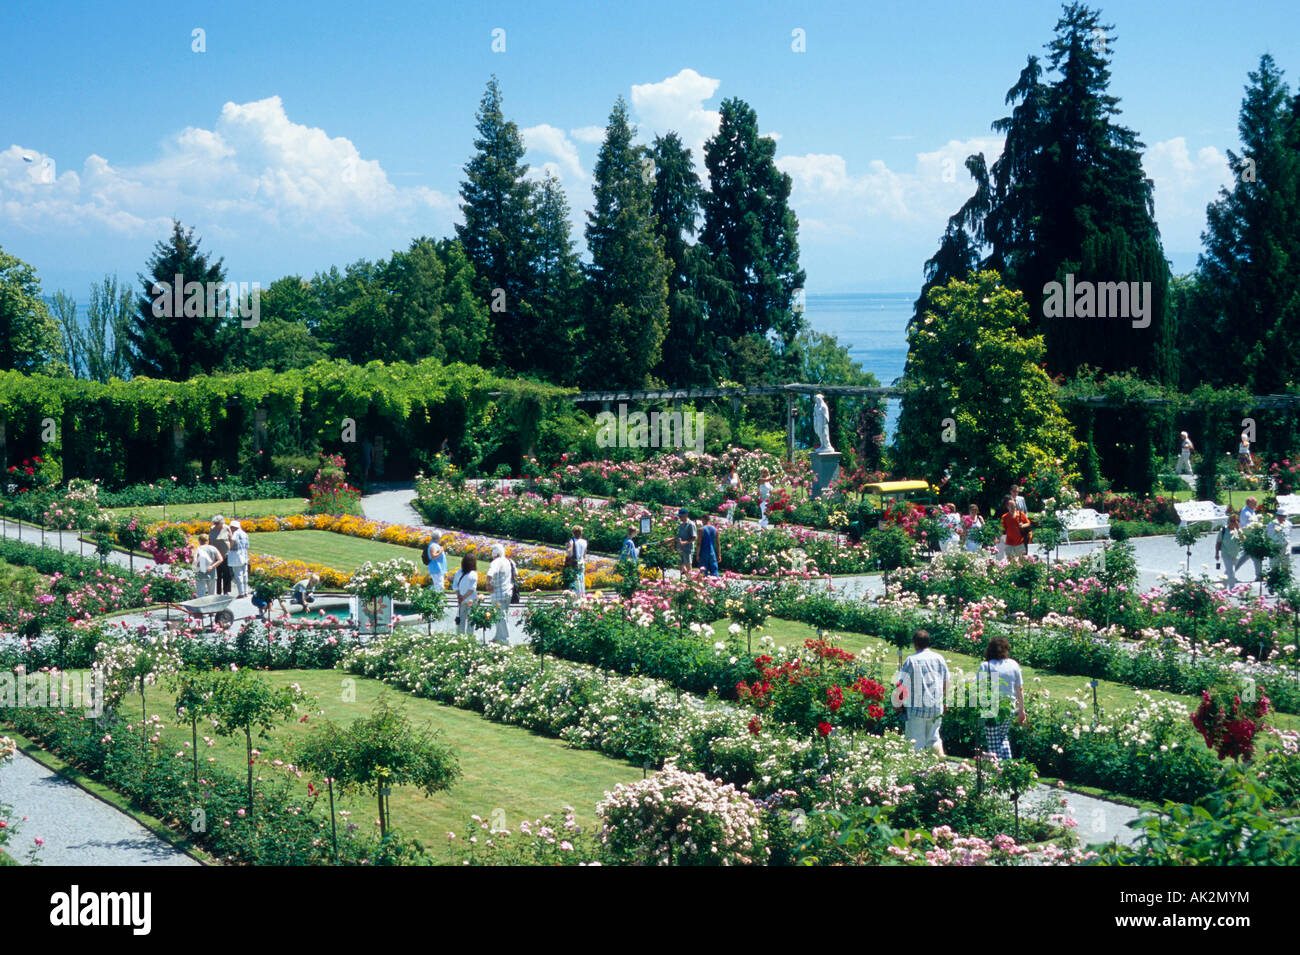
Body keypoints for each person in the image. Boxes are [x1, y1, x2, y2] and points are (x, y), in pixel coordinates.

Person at [894, 629, 950, 755]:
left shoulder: (912, 660)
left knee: (915, 742)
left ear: (915, 643)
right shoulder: (939, 658)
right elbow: (946, 682)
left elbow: (901, 684)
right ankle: (938, 767)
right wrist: (946, 702)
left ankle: (917, 771)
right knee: (934, 739)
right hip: (936, 707)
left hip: (916, 708)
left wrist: (897, 703)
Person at [977, 635, 1026, 760]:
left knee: (993, 742)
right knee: (1003, 737)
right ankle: (1008, 766)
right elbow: (1019, 689)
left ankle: (997, 771)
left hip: (991, 708)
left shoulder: (986, 666)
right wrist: (1022, 711)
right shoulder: (1013, 665)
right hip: (1009, 708)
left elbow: (981, 690)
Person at [487, 544, 515, 644]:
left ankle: (505, 639)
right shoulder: (509, 561)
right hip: (508, 592)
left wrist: (488, 584)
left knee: (500, 617)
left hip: (498, 593)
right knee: (502, 616)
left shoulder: (496, 562)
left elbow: (490, 573)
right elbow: (515, 574)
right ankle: (498, 636)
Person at [452, 555, 478, 634]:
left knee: (461, 618)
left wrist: (459, 597)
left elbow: (455, 586)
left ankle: (460, 636)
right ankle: (470, 636)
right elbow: (472, 589)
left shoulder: (458, 572)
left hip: (461, 599)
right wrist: (464, 597)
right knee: (471, 619)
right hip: (471, 599)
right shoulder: (474, 574)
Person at [1215, 510, 1242, 587]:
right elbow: (1218, 542)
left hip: (1236, 554)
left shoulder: (1239, 531)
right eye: (1232, 521)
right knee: (1231, 571)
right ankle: (1232, 589)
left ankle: (1222, 586)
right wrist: (1217, 553)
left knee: (1228, 571)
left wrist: (1238, 529)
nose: (1233, 522)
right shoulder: (1223, 530)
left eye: (1235, 521)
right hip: (1226, 553)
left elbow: (1243, 540)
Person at [192, 533, 222, 598]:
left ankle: (201, 606)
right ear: (208, 540)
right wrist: (212, 566)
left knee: (200, 593)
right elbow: (220, 559)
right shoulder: (213, 548)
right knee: (212, 593)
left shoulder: (198, 549)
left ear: (199, 541)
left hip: (200, 573)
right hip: (212, 572)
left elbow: (195, 561)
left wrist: (196, 567)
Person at [209, 515, 233, 596]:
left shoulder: (226, 528)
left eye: (217, 523)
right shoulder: (212, 529)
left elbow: (231, 539)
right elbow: (209, 541)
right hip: (216, 555)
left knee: (226, 573)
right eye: (215, 523)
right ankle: (218, 592)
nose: (216, 525)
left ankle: (226, 591)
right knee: (218, 574)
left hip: (225, 554)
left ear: (222, 523)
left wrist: (230, 549)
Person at [228, 520, 250, 598]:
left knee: (238, 575)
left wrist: (230, 547)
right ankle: (246, 592)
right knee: (245, 574)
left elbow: (232, 540)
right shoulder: (244, 534)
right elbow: (248, 546)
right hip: (244, 555)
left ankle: (241, 593)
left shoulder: (235, 533)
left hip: (236, 556)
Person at [565, 525, 588, 597]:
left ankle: (575, 596)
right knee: (581, 579)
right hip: (581, 562)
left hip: (574, 562)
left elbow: (569, 552)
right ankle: (582, 594)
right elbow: (584, 554)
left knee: (574, 580)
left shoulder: (572, 541)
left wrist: (566, 548)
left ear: (573, 533)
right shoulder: (584, 542)